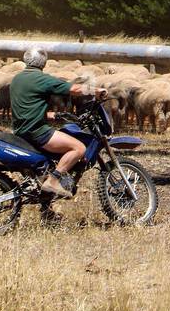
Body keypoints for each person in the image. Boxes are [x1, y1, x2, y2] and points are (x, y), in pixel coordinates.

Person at [9, 47, 105, 198]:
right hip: (38, 132)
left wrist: (47, 115)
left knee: (49, 164)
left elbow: (25, 106)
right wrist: (95, 90)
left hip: (21, 131)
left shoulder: (17, 79)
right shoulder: (40, 79)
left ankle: (47, 207)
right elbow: (74, 88)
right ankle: (53, 180)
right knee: (79, 148)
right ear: (44, 63)